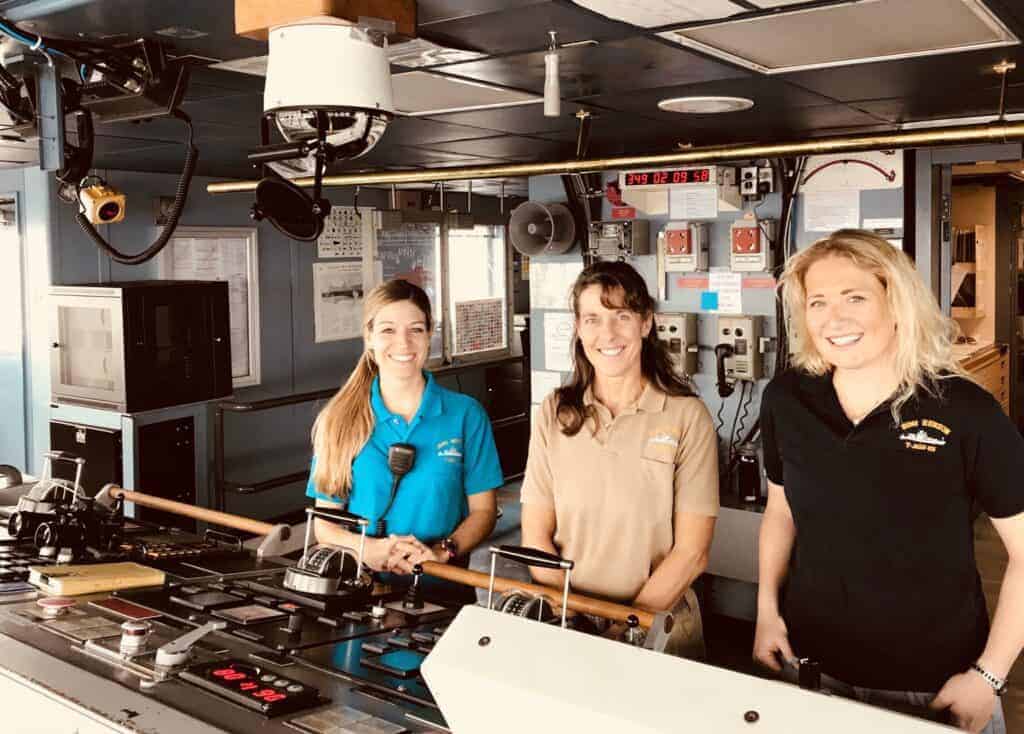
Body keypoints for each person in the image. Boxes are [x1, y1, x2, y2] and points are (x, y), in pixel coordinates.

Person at [754, 229, 1024, 733]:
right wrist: (767, 611)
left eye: (855, 297)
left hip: (936, 685)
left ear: (897, 304)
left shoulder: (965, 411)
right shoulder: (788, 399)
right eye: (818, 302)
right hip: (813, 672)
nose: (835, 319)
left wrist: (988, 677)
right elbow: (781, 511)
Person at [521, 261, 718, 657]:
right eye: (592, 318)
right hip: (570, 622)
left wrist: (626, 626)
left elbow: (692, 553)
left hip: (658, 627)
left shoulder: (685, 415)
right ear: (578, 328)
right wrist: (576, 616)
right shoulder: (555, 411)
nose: (607, 334)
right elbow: (535, 538)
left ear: (646, 324)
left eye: (621, 316)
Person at [305, 279, 503, 580]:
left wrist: (441, 552)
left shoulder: (466, 415)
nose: (403, 343)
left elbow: (484, 512)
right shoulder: (339, 419)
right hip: (361, 589)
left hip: (442, 590)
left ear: (429, 335)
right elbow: (325, 524)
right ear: (368, 337)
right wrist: (367, 548)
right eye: (387, 330)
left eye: (415, 329)